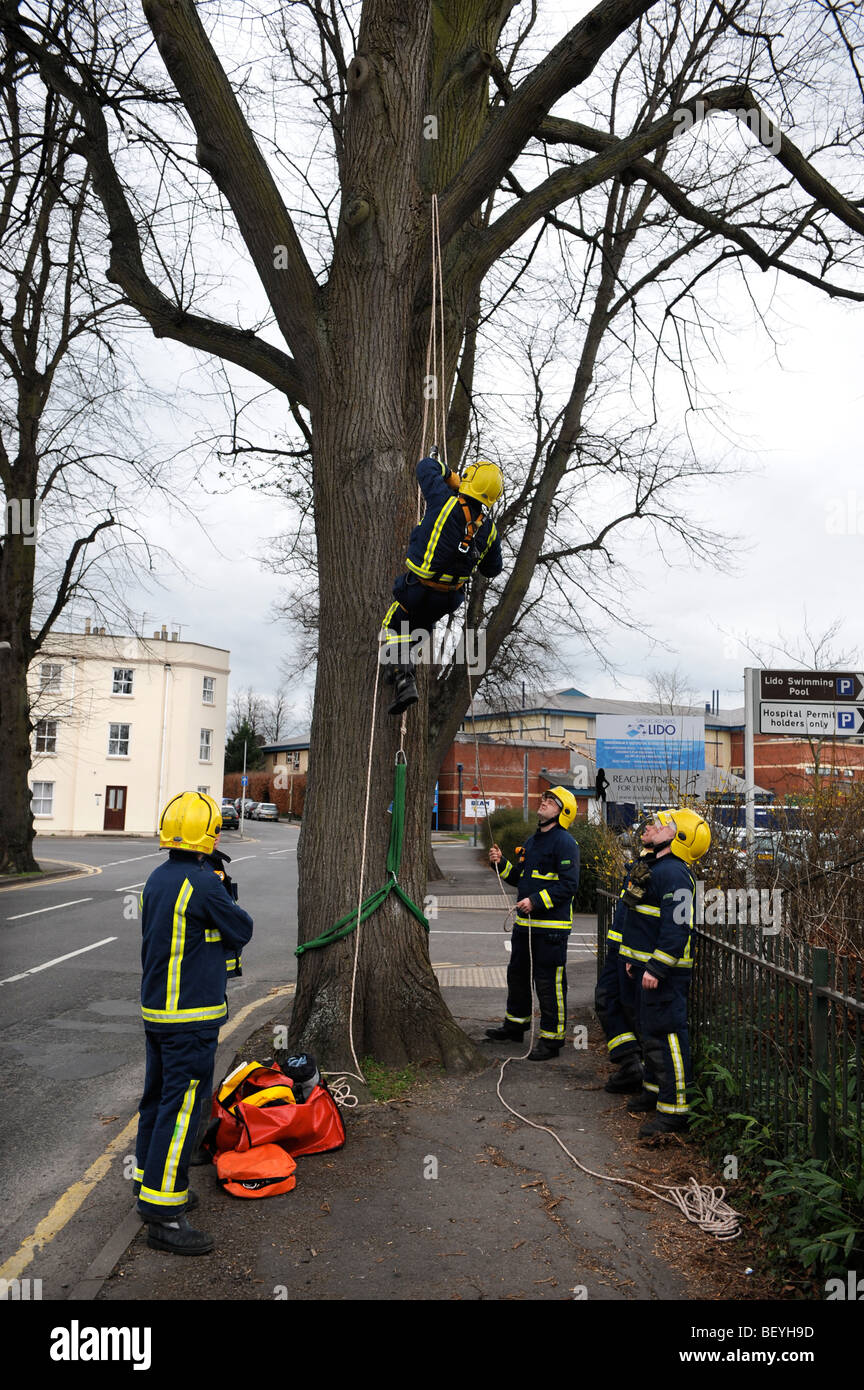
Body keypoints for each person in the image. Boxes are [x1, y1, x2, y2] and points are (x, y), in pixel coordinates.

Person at [134, 791, 253, 1254]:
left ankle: (151, 1184)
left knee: (157, 1102)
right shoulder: (204, 884)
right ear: (210, 836)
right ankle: (163, 1215)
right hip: (190, 1019)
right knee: (182, 1111)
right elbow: (241, 929)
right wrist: (222, 886)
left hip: (158, 1014)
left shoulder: (158, 877)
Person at [611, 807, 711, 1138]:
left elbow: (678, 925)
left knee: (669, 1038)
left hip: (665, 977)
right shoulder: (658, 868)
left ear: (678, 837)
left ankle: (675, 1112)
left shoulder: (675, 874)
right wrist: (633, 959)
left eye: (665, 825)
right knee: (650, 1033)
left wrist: (656, 966)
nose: (655, 826)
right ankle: (654, 1092)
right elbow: (644, 920)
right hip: (646, 971)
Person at [380, 450, 503, 716]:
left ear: (468, 482)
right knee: (418, 628)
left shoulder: (444, 501)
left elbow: (425, 466)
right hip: (446, 599)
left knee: (392, 625)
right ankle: (400, 671)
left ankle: (403, 676)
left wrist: (451, 476)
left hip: (417, 587)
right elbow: (493, 569)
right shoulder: (489, 530)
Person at [485, 788, 581, 1060]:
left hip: (551, 930)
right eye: (545, 799)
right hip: (524, 927)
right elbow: (519, 878)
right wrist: (500, 863)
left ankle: (552, 1040)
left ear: (563, 813)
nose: (544, 802)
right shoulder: (533, 840)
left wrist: (536, 902)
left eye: (551, 802)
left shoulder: (565, 843)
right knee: (517, 976)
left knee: (549, 983)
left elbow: (569, 885)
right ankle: (515, 1025)